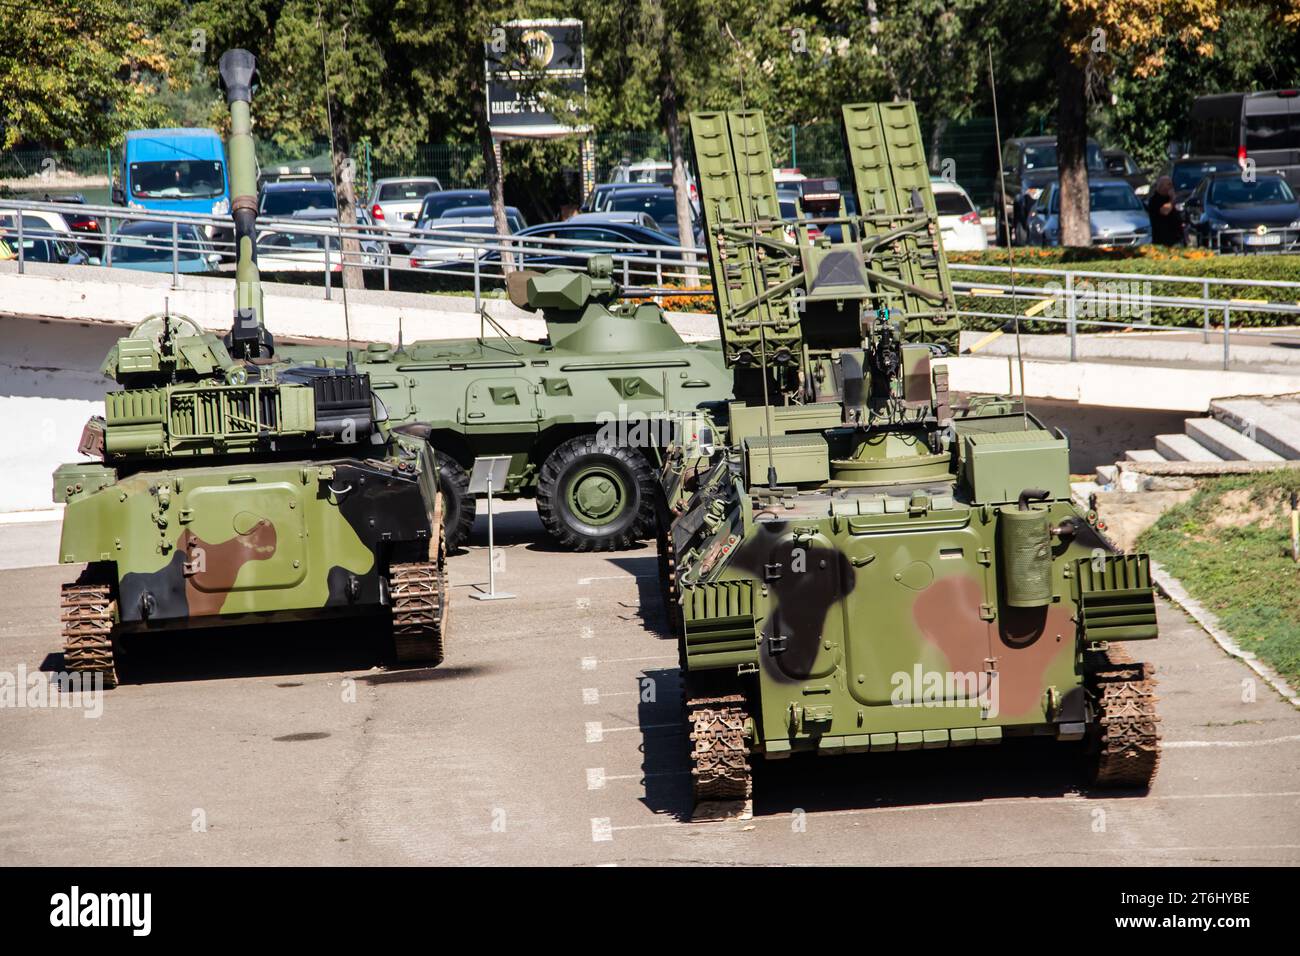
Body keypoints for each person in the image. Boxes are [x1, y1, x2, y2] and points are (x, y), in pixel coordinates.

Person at [1147, 175, 1183, 245]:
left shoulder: (1168, 198)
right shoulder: (1155, 200)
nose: (1171, 187)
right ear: (1161, 186)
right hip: (1163, 239)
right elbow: (1165, 211)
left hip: (1175, 238)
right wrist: (1172, 199)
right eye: (1169, 184)